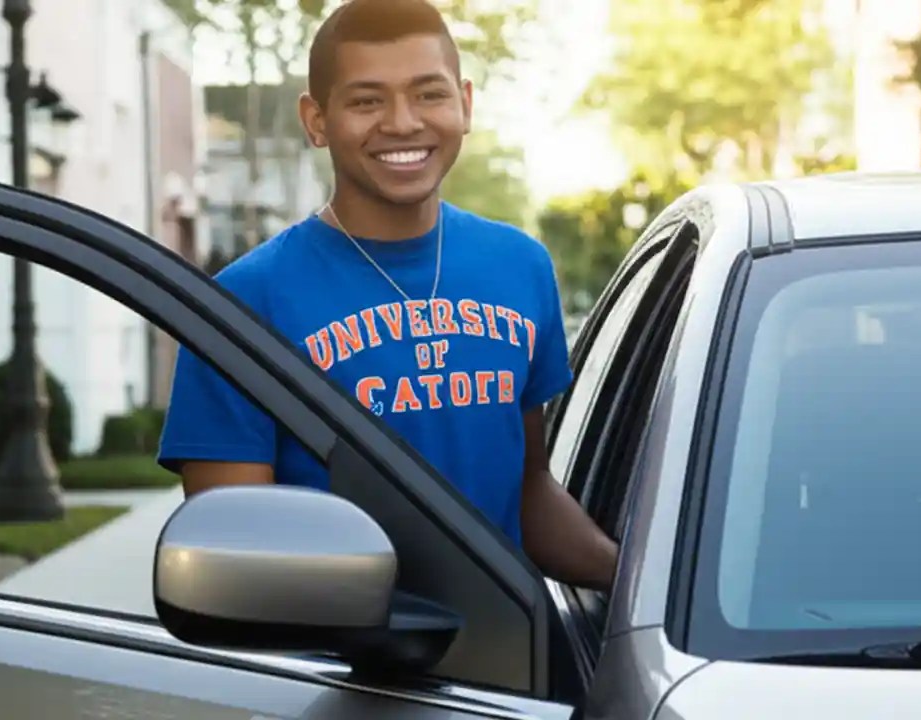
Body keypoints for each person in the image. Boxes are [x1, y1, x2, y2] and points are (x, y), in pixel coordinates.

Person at [156, 0, 618, 592]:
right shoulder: (243, 303)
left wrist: (634, 581)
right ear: (316, 119)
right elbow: (238, 556)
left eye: (429, 94)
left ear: (465, 104)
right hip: (336, 674)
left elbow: (528, 492)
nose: (402, 122)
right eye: (367, 100)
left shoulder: (520, 267)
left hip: (510, 668)